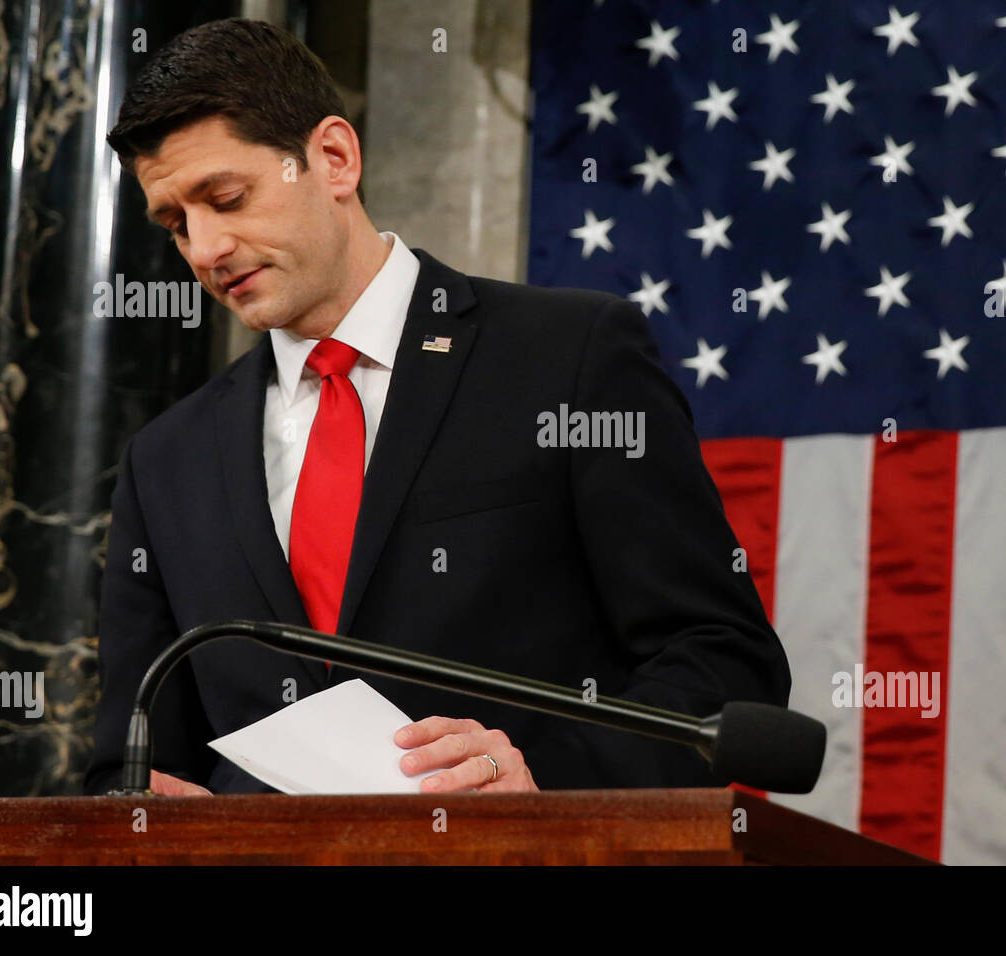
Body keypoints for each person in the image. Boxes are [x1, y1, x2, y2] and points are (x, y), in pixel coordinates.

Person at [84, 18, 791, 796]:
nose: (206, 249)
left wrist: (539, 781)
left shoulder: (569, 358)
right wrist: (138, 798)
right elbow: (130, 751)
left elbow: (723, 661)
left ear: (332, 159)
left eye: (227, 198)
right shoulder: (165, 460)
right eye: (176, 224)